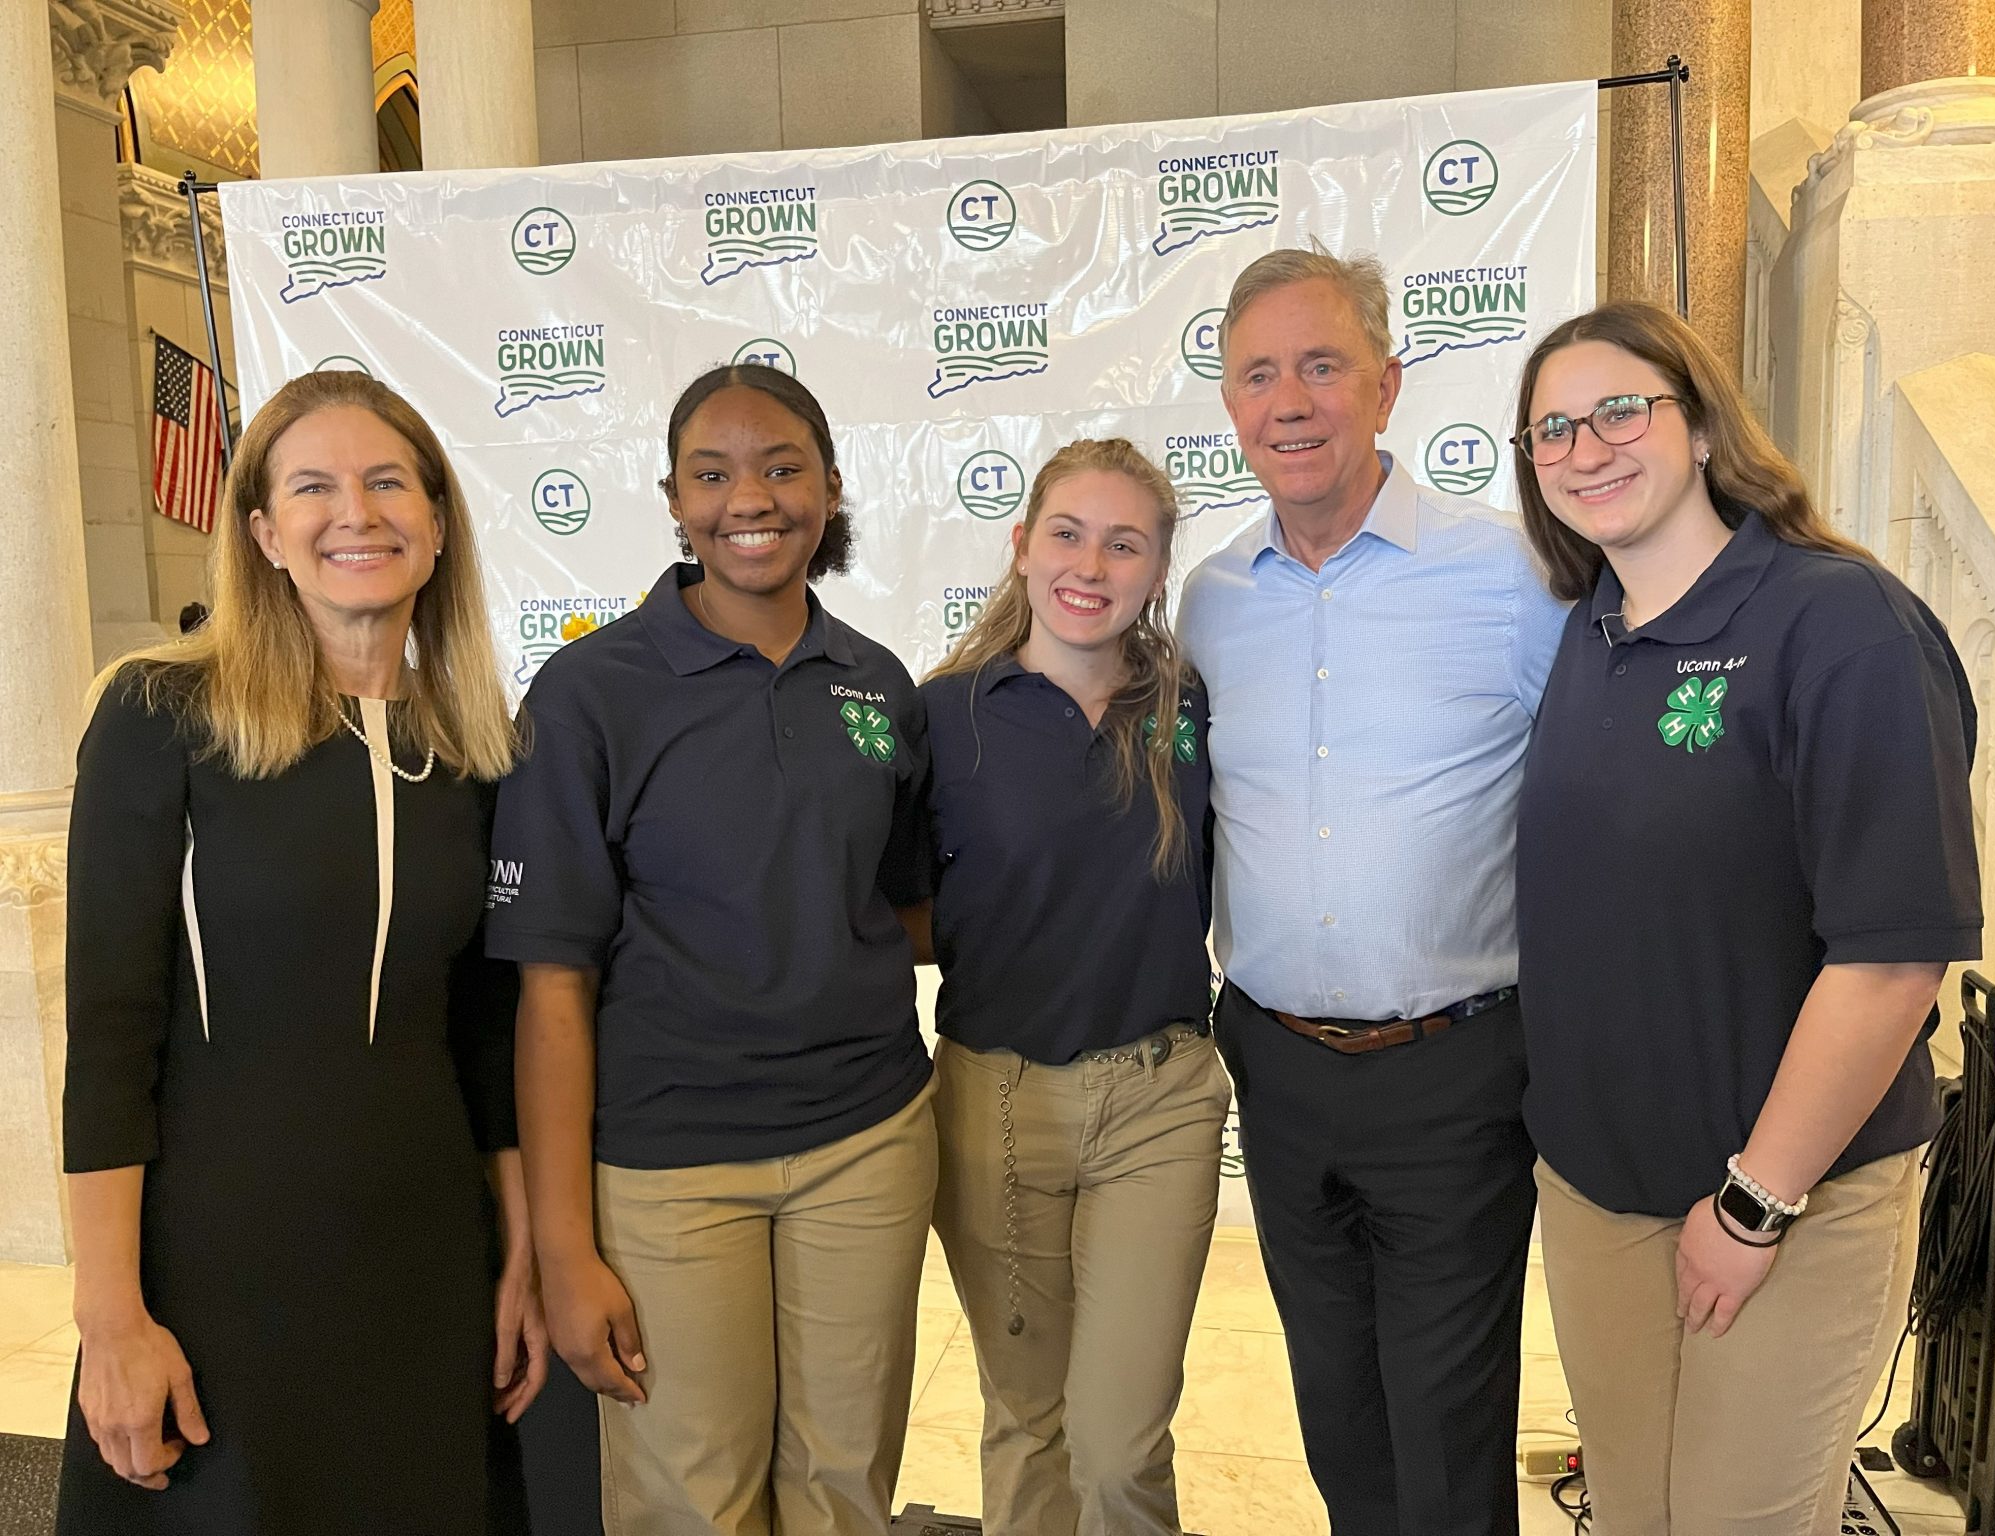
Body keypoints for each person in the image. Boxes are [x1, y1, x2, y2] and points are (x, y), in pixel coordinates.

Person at [1511, 301, 1981, 1536]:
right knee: (1631, 1515)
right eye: (1549, 429)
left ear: (1702, 423)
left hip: (1783, 1200)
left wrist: (1753, 1204)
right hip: (1601, 1193)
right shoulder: (1588, 633)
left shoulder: (1838, 626)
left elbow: (1891, 958)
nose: (1584, 446)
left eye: (1620, 409)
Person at [58, 369, 544, 1536]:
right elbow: (110, 1036)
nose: (356, 514)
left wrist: (521, 1258)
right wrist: (111, 1321)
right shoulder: (159, 714)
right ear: (265, 533)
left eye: (388, 483)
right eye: (314, 487)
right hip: (221, 1264)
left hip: (425, 1256)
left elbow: (485, 1036)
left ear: (435, 523)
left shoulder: (476, 744)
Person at [490, 363, 937, 1536]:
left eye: (783, 466)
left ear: (831, 491)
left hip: (868, 1146)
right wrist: (561, 1247)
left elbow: (905, 911)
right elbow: (549, 991)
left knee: (844, 1489)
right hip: (669, 1171)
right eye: (713, 473)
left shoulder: (876, 686)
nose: (752, 496)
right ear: (675, 503)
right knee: (695, 1500)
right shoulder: (592, 694)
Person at [1176, 244, 1566, 1536]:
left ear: (1387, 386)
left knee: (1448, 1442)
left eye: (1322, 366)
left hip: (1456, 1074)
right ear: (1230, 405)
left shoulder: (1511, 580)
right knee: (1339, 1424)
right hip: (1278, 1077)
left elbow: (1606, 799)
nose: (1289, 401)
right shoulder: (1212, 600)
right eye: (1257, 375)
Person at [912, 439, 1227, 1536]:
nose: (1090, 564)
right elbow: (886, 904)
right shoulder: (944, 717)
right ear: (1020, 545)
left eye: (1123, 543)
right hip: (992, 1101)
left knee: (1118, 1442)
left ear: (1154, 571)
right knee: (1027, 1421)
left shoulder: (1191, 708)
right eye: (1067, 532)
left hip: (1159, 1100)